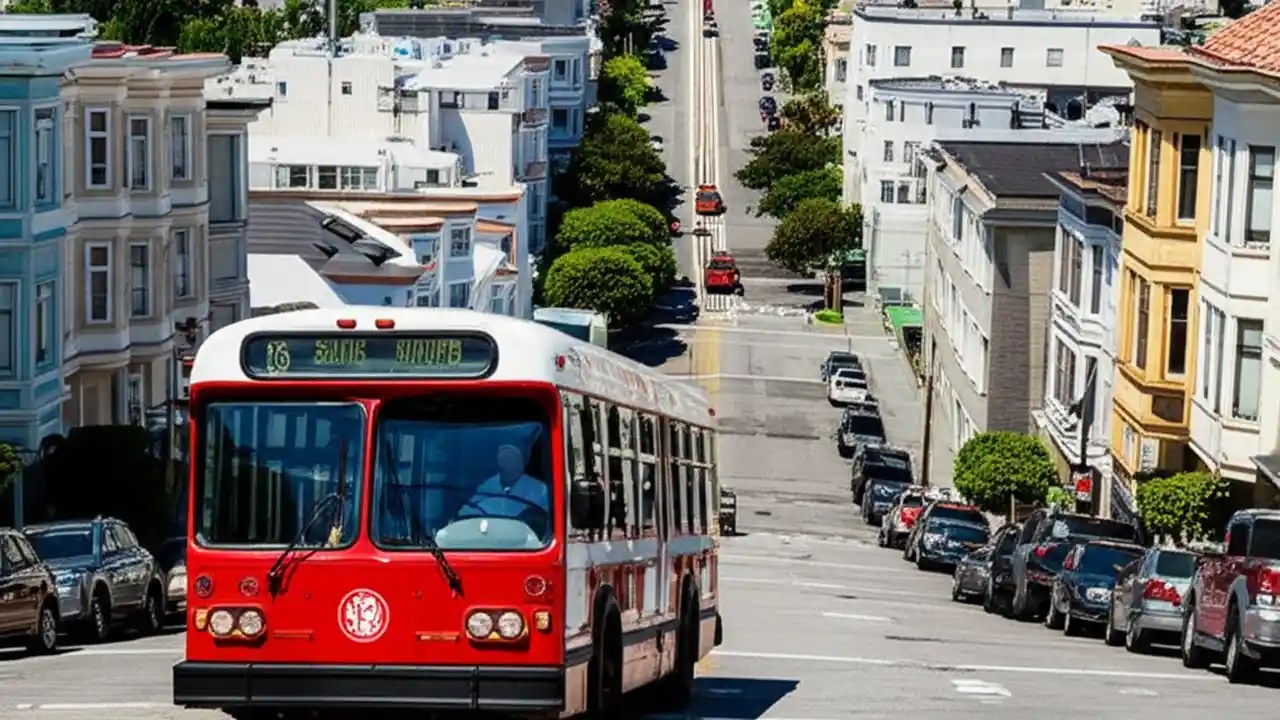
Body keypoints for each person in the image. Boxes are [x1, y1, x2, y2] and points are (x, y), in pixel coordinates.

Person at [458, 444, 549, 527]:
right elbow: (467, 512)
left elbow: (546, 518)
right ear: (499, 463)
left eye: (515, 459)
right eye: (506, 459)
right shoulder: (487, 487)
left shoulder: (539, 488)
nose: (512, 464)